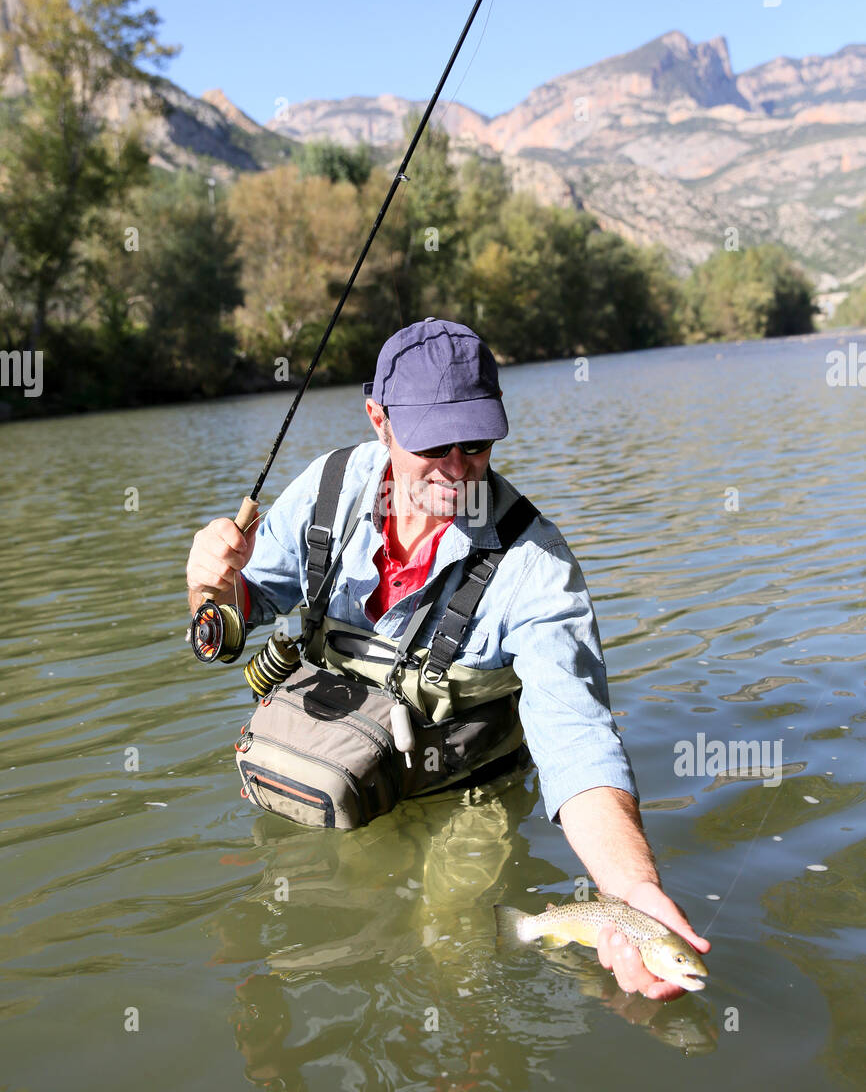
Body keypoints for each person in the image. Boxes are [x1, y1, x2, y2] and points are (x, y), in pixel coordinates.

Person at [186, 319, 710, 1000]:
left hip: (466, 792)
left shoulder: (537, 569)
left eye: (478, 442)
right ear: (379, 420)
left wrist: (632, 888)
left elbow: (578, 742)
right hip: (338, 773)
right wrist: (208, 587)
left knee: (452, 959)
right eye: (435, 442)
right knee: (319, 947)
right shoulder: (325, 490)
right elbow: (229, 625)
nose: (460, 467)